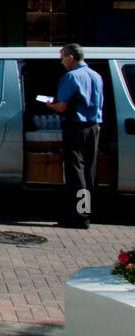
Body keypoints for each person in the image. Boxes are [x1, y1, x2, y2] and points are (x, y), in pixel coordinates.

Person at [46, 43, 104, 228]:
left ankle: (79, 217)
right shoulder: (96, 76)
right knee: (88, 171)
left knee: (75, 173)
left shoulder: (70, 77)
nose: (61, 62)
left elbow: (62, 106)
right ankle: (84, 213)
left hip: (76, 128)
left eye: (62, 57)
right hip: (94, 127)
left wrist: (49, 105)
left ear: (71, 57)